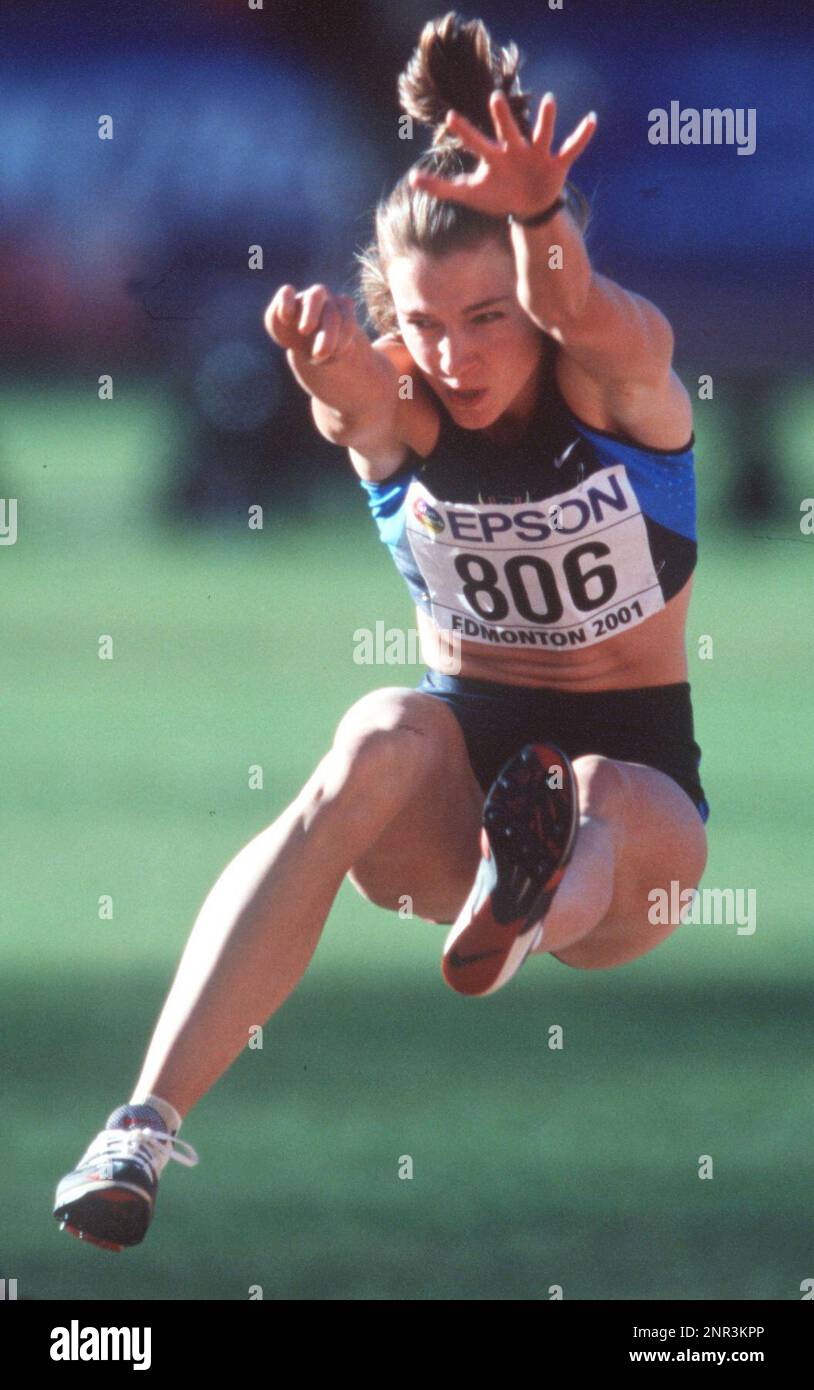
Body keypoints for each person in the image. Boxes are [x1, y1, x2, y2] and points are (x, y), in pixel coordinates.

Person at [53, 10, 708, 1252]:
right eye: (424, 324)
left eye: (488, 319)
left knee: (599, 786)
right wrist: (325, 367)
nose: (453, 357)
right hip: (444, 810)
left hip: (637, 822)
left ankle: (528, 902)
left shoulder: (618, 380)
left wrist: (539, 223)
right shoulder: (400, 401)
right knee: (373, 732)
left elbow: (581, 307)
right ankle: (138, 1124)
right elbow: (360, 399)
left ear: (533, 297)